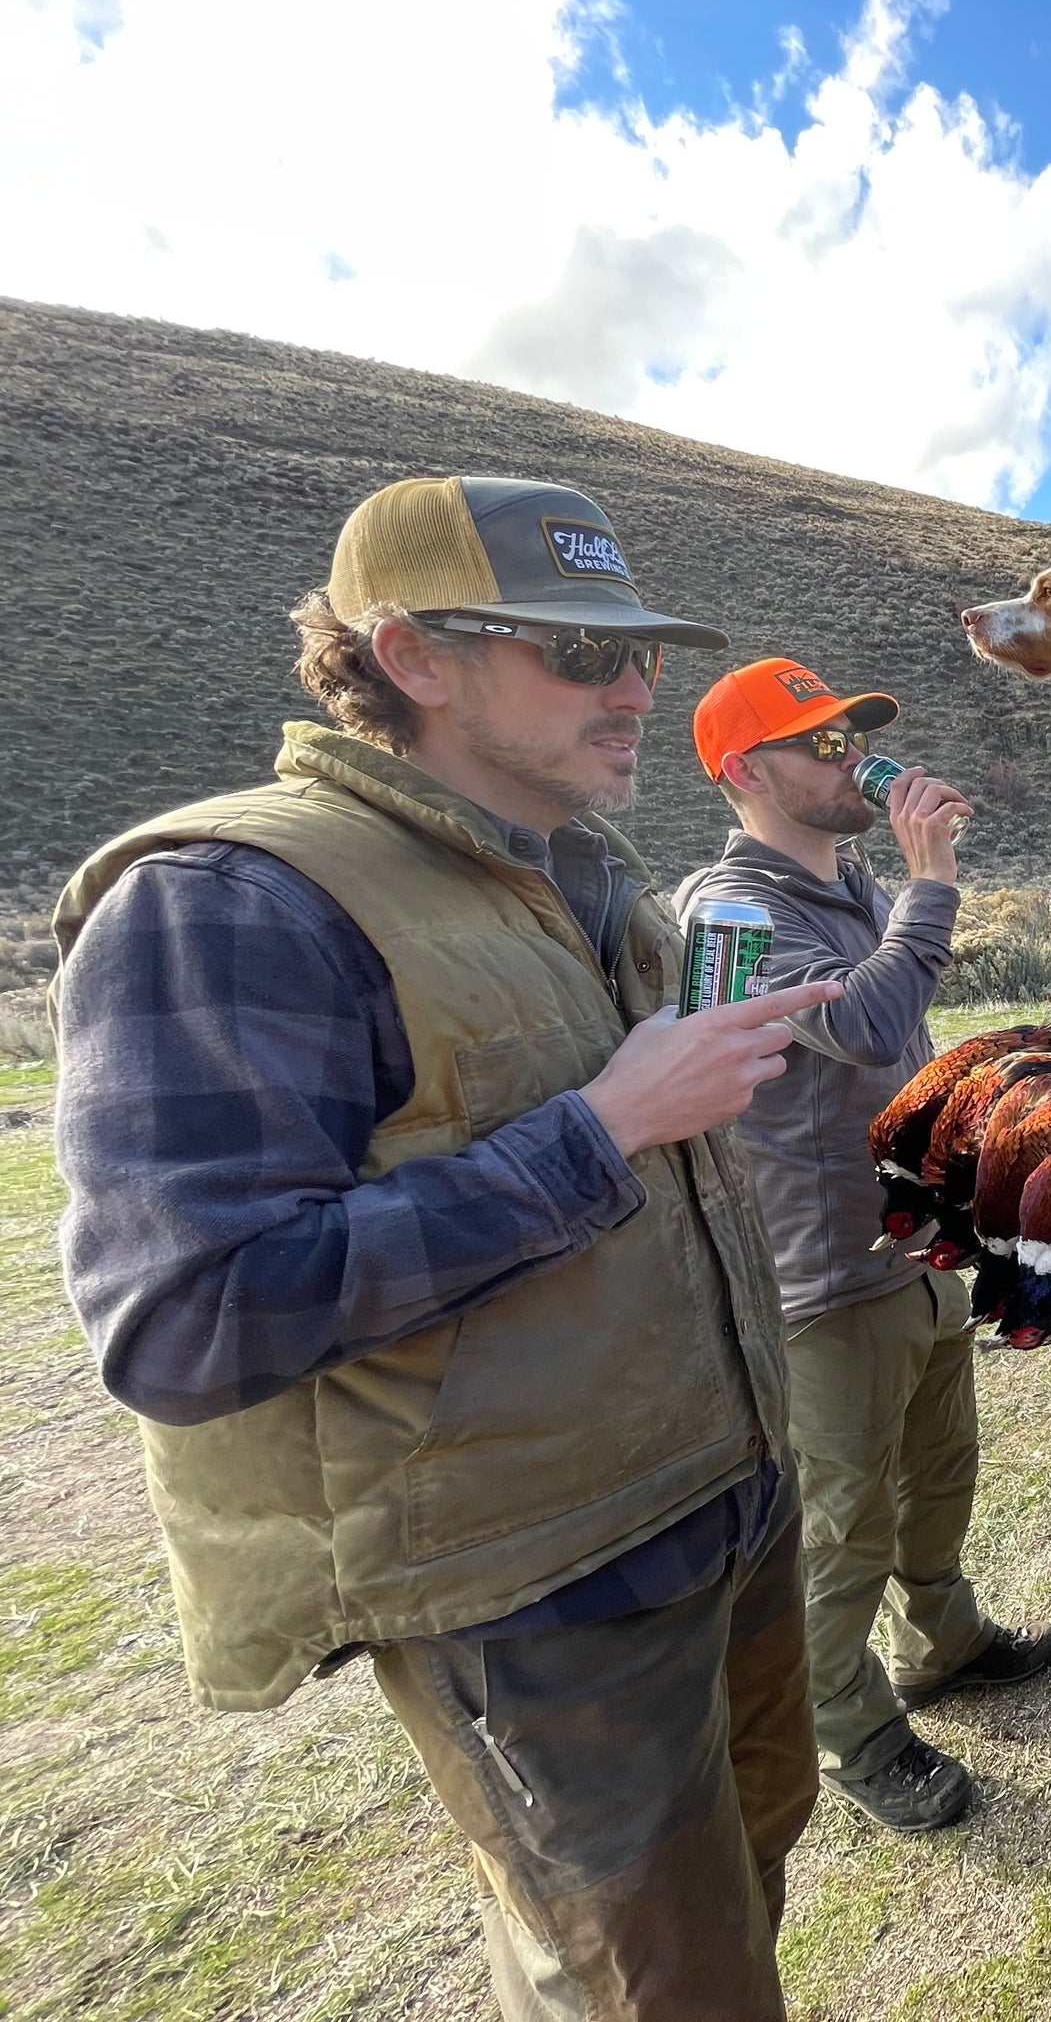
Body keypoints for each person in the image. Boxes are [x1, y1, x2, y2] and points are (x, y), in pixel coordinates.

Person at [51, 477, 839, 2020]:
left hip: (725, 1500)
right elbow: (186, 1318)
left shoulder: (592, 875)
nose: (634, 688)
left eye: (646, 655)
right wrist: (601, 1129)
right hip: (543, 1592)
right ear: (412, 655)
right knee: (650, 1987)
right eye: (580, 651)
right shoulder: (230, 898)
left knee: (744, 1889)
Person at [679, 659, 1051, 1837]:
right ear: (745, 771)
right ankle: (850, 1728)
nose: (851, 759)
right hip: (823, 1275)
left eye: (853, 736)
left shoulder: (847, 893)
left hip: (916, 1250)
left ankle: (943, 1640)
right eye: (820, 744)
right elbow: (861, 1025)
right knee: (841, 1523)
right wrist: (931, 884)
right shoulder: (728, 913)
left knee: (938, 1473)